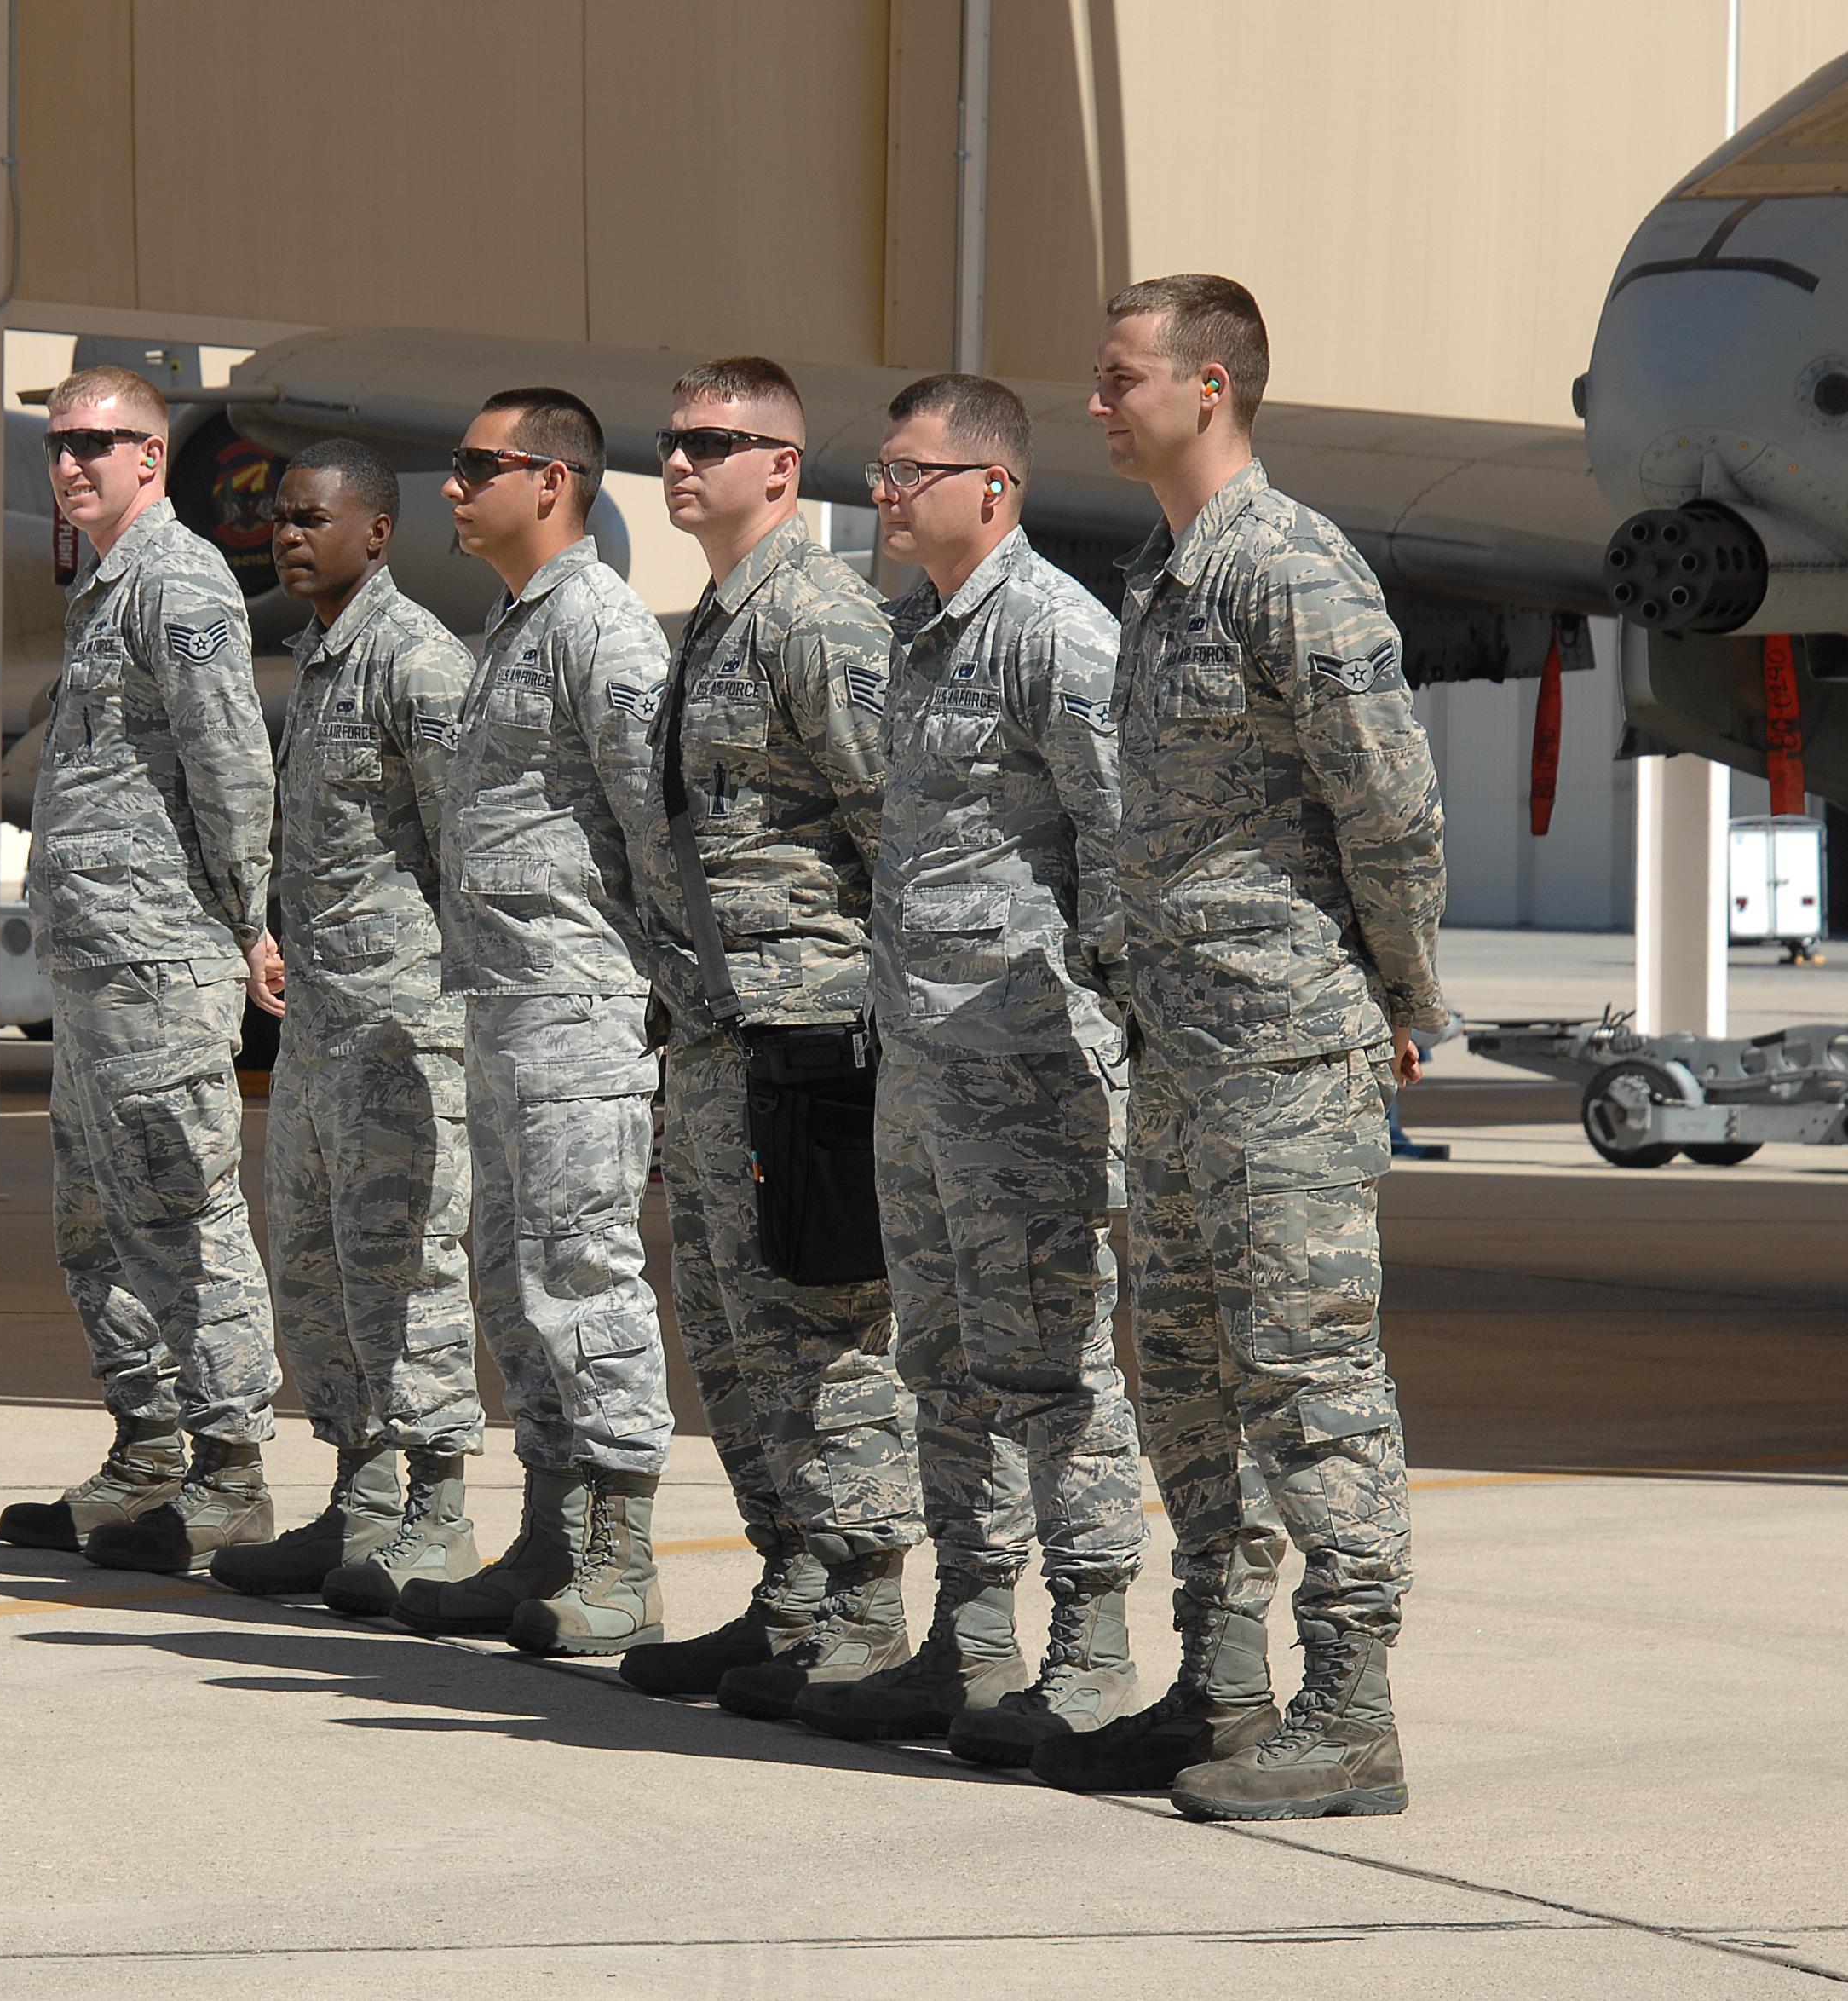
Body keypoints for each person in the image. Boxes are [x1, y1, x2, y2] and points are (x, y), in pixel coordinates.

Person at [1051, 274, 1447, 1820]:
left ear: (1208, 386)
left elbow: (1391, 803)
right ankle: (1222, 1685)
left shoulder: (1292, 567)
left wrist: (1406, 997)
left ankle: (1352, 1708)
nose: (1098, 399)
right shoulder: (1163, 570)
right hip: (1180, 1046)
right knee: (1190, 1375)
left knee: (1310, 1376)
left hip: (1282, 1048)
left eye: (1119, 374)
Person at [787, 373, 1146, 1759]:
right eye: (876, 471)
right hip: (921, 1062)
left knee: (1047, 1365)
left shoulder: (1054, 634)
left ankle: (1095, 1642)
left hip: (1024, 1067)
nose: (879, 495)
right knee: (939, 1360)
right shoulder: (913, 638)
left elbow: (1125, 844)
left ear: (988, 486)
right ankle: (973, 1639)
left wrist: (1099, 1026)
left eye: (903, 473)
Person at [602, 360, 918, 1710]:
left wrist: (869, 1028)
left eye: (713, 442)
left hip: (811, 1036)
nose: (680, 463)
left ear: (782, 467)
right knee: (732, 1328)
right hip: (720, 1036)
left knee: (824, 1323)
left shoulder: (819, 616)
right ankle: (789, 1585)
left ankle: (863, 1601)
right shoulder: (718, 617)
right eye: (670, 441)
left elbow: (893, 827)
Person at [396, 387, 680, 1658]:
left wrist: (667, 994)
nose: (451, 489)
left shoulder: (602, 629)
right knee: (520, 1284)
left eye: (475, 466)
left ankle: (623, 1561)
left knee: (584, 1274)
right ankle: (554, 1537)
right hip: (503, 1006)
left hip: (575, 1004)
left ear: (553, 480)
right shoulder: (515, 625)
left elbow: (654, 827)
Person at [0, 363, 283, 1573]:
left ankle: (230, 1472)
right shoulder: (105, 589)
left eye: (99, 444)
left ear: (153, 459)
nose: (72, 463)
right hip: (97, 966)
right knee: (96, 1226)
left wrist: (251, 917)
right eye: (60, 443)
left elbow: (233, 766)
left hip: (162, 962)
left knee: (184, 1212)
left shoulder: (180, 581)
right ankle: (148, 1449)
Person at [209, 441, 486, 1611]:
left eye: (313, 518)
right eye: (280, 519)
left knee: (406, 1267)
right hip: (322, 1028)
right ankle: (362, 1498)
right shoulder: (319, 658)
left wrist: (437, 999)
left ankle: (439, 1510)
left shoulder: (417, 663)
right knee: (321, 1272)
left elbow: (463, 849)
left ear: (377, 532)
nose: (288, 535)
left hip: (400, 1031)